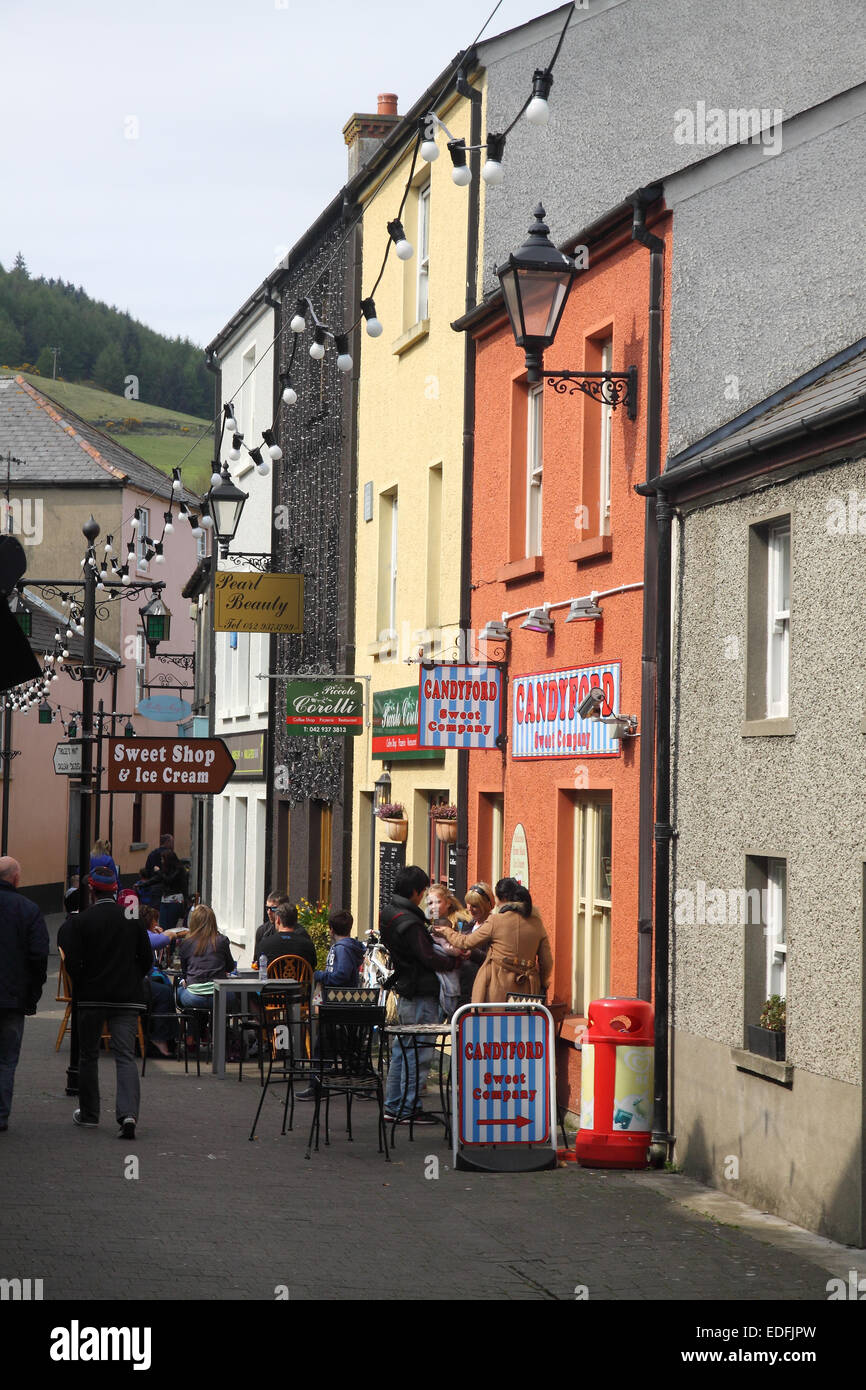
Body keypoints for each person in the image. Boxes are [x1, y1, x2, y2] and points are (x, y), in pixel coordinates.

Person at [57, 864, 153, 1138]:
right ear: (115, 888)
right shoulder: (132, 920)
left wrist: (85, 979)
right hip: (125, 997)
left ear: (91, 890)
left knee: (88, 1055)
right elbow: (146, 960)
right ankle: (128, 1116)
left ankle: (89, 1114)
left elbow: (71, 962)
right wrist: (130, 977)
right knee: (125, 1056)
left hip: (91, 998)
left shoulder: (81, 922)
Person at [379, 865, 445, 1125]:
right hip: (419, 991)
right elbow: (427, 958)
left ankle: (393, 1106)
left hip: (405, 989)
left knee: (402, 1051)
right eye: (423, 892)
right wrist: (453, 962)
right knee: (419, 1053)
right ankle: (409, 1108)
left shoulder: (389, 913)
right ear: (416, 891)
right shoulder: (410, 922)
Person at [432, 877, 553, 1003]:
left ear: (503, 899)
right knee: (524, 1020)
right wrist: (542, 982)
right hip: (528, 988)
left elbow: (465, 942)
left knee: (493, 1021)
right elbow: (547, 962)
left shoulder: (496, 921)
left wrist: (446, 931)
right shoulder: (537, 923)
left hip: (497, 985)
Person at [0, 857, 49, 1132]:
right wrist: (33, 993)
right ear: (16, 879)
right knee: (6, 1060)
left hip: (13, 995)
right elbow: (39, 956)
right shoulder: (28, 909)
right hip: (12, 998)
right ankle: (1, 1115)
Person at [140, 903, 184, 1056]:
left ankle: (170, 1038)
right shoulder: (144, 934)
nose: (157, 924)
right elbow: (159, 941)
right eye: (154, 921)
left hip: (138, 980)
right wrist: (171, 934)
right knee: (164, 993)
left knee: (164, 987)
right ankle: (160, 1038)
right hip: (134, 984)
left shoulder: (145, 933)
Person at [425, 883, 471, 1021]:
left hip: (461, 977)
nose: (434, 906)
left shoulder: (460, 920)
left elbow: (464, 944)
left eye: (438, 902)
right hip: (441, 981)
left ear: (448, 903)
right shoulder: (430, 924)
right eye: (430, 903)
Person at [177, 905, 235, 1015]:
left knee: (179, 992)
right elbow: (230, 966)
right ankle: (223, 1028)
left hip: (193, 997)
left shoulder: (186, 943)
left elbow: (185, 972)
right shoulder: (222, 940)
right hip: (220, 995)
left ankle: (192, 1029)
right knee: (233, 997)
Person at [459, 881, 494, 1004]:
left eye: (475, 906)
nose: (470, 909)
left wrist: (472, 953)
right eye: (468, 904)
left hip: (480, 987)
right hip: (464, 985)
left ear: (486, 905)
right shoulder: (468, 924)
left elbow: (493, 959)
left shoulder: (492, 926)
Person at [257, 902, 317, 974]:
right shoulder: (308, 945)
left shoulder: (265, 944)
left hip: (272, 985)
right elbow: (312, 966)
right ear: (296, 921)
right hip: (301, 985)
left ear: (278, 920)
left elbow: (260, 968)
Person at [140, 849, 189, 932]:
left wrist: (158, 871)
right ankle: (165, 943)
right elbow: (157, 879)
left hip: (175, 901)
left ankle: (171, 944)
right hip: (165, 900)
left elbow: (169, 880)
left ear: (168, 860)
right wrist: (142, 885)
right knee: (163, 925)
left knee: (171, 927)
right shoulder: (166, 870)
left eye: (163, 859)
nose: (162, 861)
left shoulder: (179, 870)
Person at [313, 910, 364, 988]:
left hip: (339, 996)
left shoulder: (342, 949)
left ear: (332, 930)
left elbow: (342, 976)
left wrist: (320, 975)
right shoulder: (345, 947)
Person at [252, 891, 290, 962]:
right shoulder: (262, 931)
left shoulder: (299, 933)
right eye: (267, 908)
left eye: (273, 909)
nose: (269, 912)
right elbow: (257, 961)